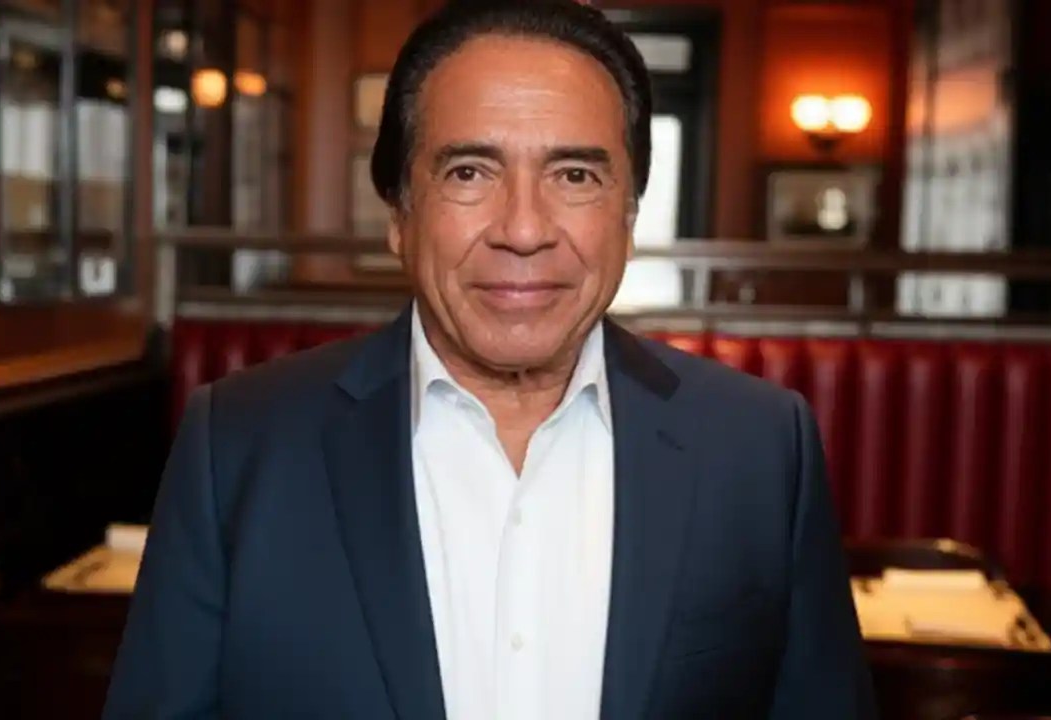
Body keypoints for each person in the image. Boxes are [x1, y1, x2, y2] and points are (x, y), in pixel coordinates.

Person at [103, 1, 877, 717]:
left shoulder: (759, 446)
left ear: (629, 217)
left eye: (575, 176)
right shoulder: (238, 444)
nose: (524, 228)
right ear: (401, 215)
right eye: (469, 172)